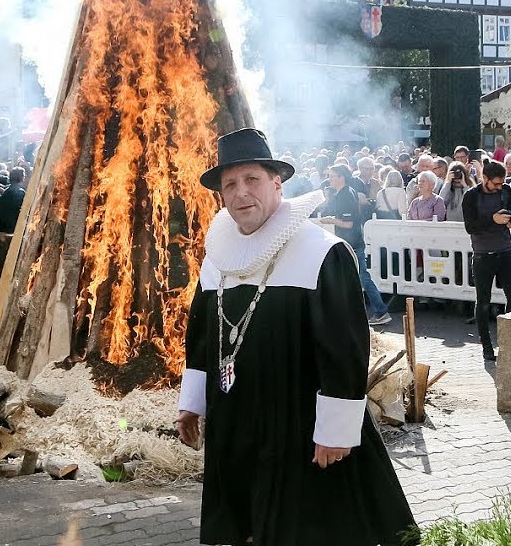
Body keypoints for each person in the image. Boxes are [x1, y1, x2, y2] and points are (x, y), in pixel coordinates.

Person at [175, 128, 417, 546]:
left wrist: (337, 431)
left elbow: (345, 348)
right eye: (229, 184)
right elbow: (201, 339)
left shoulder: (323, 251)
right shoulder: (217, 259)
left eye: (251, 180)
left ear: (276, 183)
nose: (240, 193)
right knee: (245, 526)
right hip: (235, 421)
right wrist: (192, 404)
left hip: (300, 425)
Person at [461, 160, 511, 362]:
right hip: (482, 255)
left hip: (505, 251)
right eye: (495, 183)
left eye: (502, 183)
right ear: (484, 178)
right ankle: (486, 346)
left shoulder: (506, 191)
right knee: (483, 302)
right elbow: (470, 226)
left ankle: (509, 342)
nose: (499, 187)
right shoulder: (471, 196)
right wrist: (492, 220)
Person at [319, 164, 391, 326]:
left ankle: (380, 311)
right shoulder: (343, 193)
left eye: (332, 176)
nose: (329, 179)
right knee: (353, 278)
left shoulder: (346, 195)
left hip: (352, 243)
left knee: (363, 277)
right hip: (349, 242)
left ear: (341, 177)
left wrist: (331, 220)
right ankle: (352, 312)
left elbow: (348, 223)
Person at [0, 166, 27, 233]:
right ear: (21, 177)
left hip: (2, 225)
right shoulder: (21, 192)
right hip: (13, 226)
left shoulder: (6, 191)